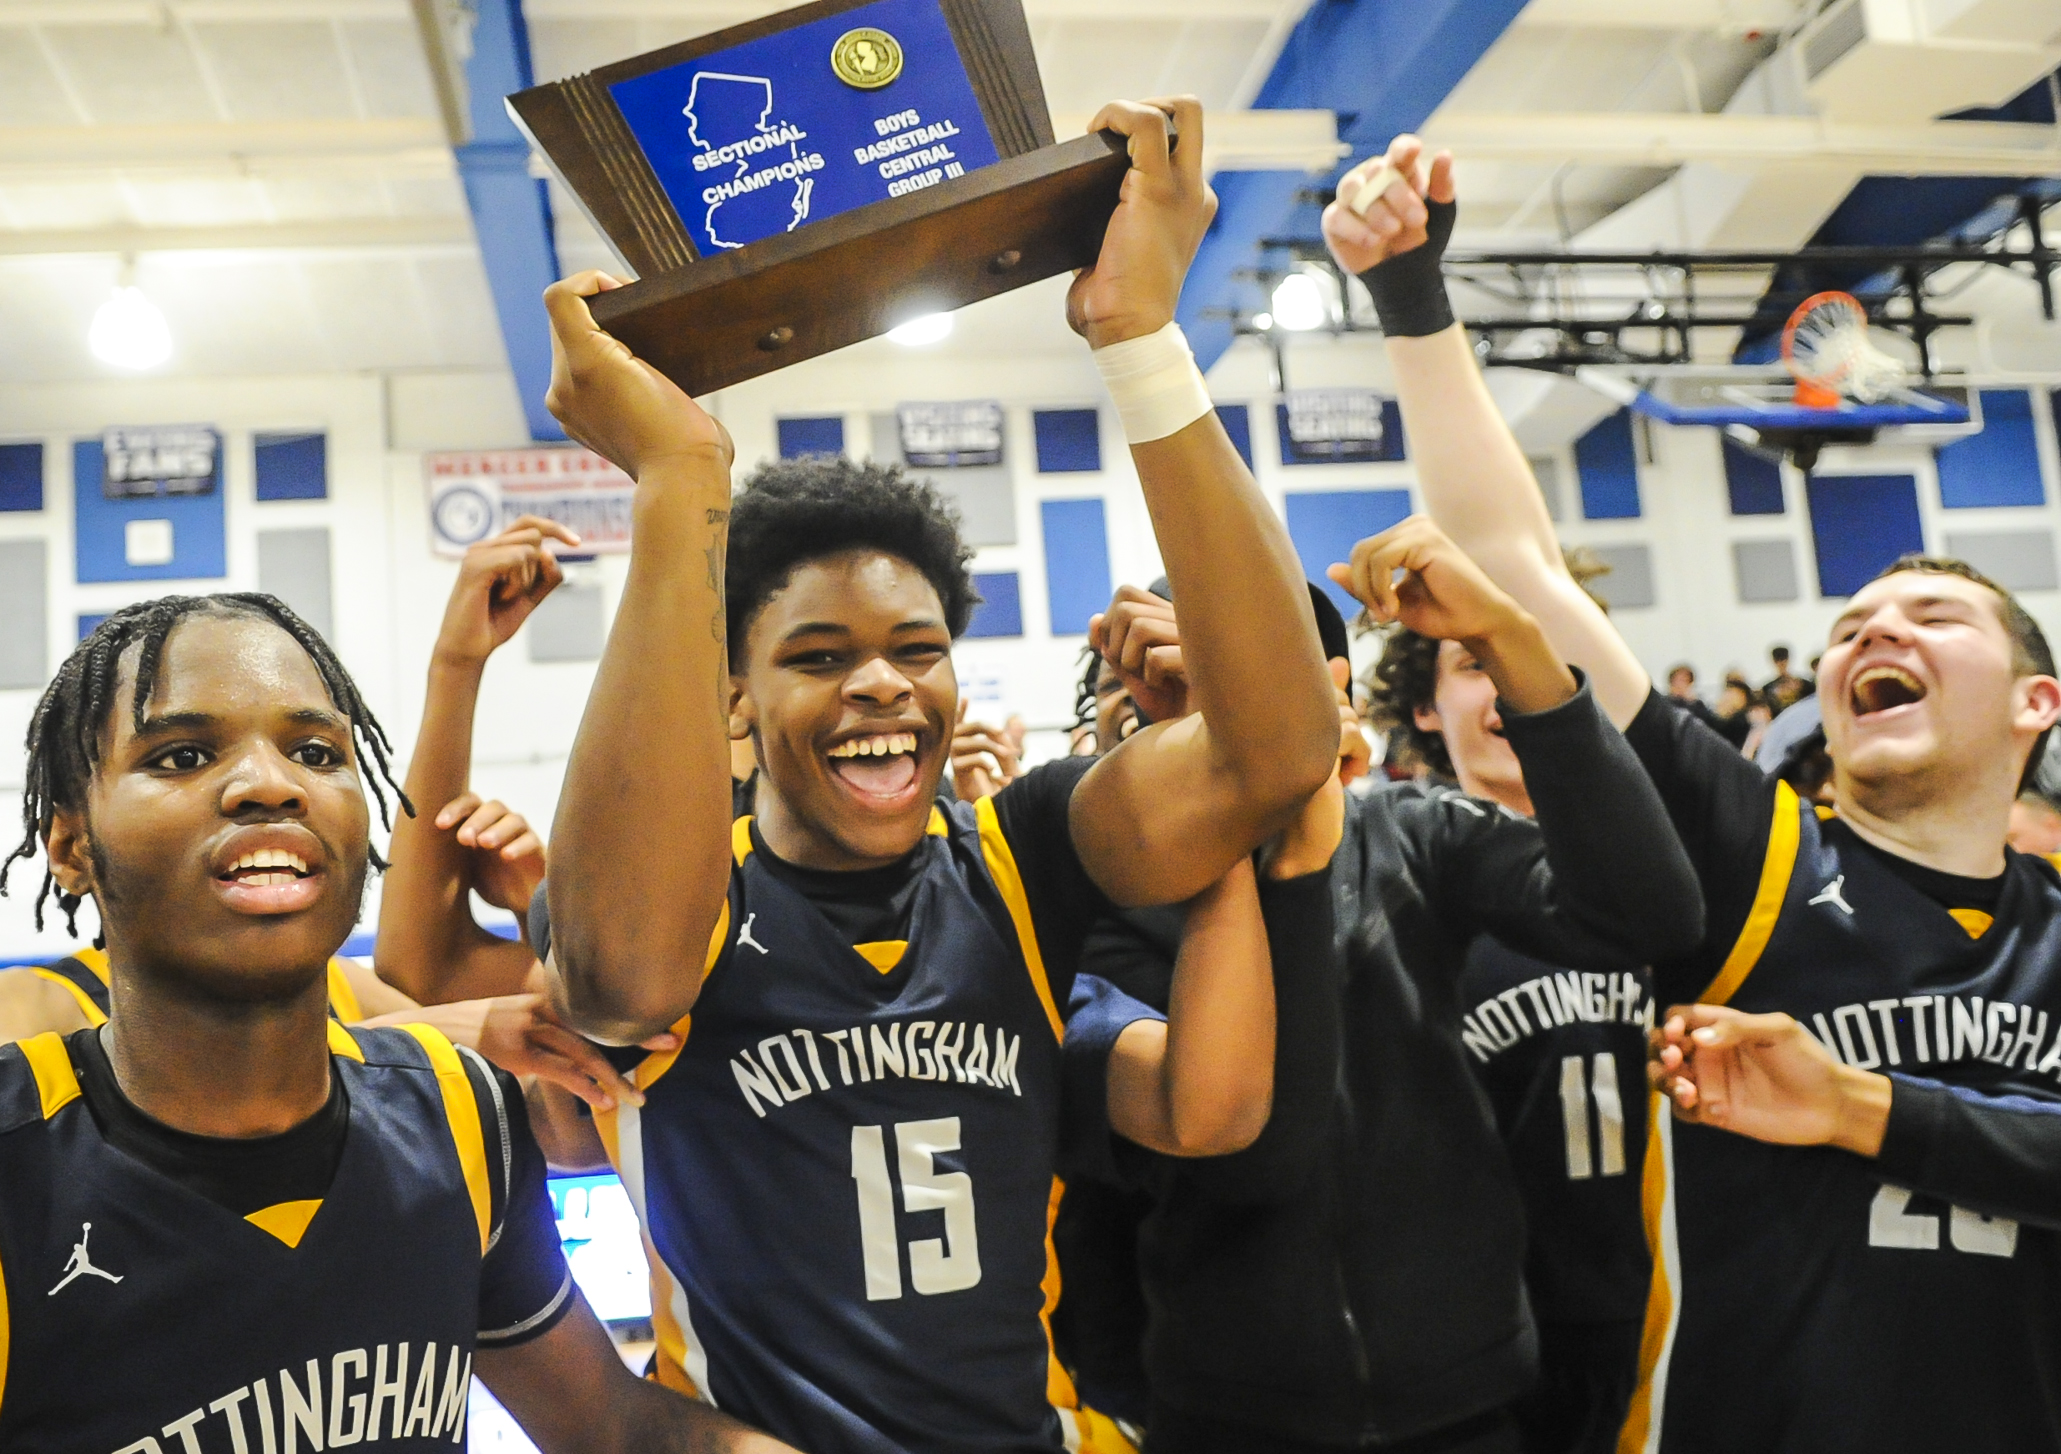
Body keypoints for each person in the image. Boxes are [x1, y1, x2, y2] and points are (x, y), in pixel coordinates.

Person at [445, 97, 1342, 1454]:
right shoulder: (678, 893)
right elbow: (621, 978)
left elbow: (1277, 750)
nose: (880, 683)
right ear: (734, 695)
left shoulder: (1020, 854)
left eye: (916, 649)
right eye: (819, 654)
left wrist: (1143, 340)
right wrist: (680, 477)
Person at [1333, 129, 2061, 1454]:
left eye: (1930, 615)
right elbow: (1514, 565)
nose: (1867, 636)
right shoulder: (1760, 853)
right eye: (1849, 625)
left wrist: (1859, 1109)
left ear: (2035, 702)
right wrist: (1410, 296)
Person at [0, 594, 794, 1454]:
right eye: (184, 755)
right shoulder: (24, 1145)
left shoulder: (454, 1114)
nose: (272, 783)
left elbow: (617, 1428)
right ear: (74, 849)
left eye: (314, 752)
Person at [1082, 516, 1701, 1454]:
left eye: (1223, 673)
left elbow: (1648, 916)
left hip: (1471, 1401)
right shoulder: (1104, 897)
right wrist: (1229, 830)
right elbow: (1252, 1151)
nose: (1190, 710)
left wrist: (1510, 637)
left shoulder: (1412, 833)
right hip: (1218, 1414)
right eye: (1145, 694)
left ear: (1327, 691)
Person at [1364, 621, 1655, 1454]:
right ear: (1423, 706)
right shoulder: (1396, 888)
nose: (1510, 686)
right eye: (1472, 667)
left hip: (1667, 1307)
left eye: (1529, 661)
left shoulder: (1660, 877)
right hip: (1488, 1343)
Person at [1761, 645, 1812, 714]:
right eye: (1778, 660)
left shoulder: (1804, 684)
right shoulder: (1767, 688)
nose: (1781, 663)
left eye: (1783, 660)